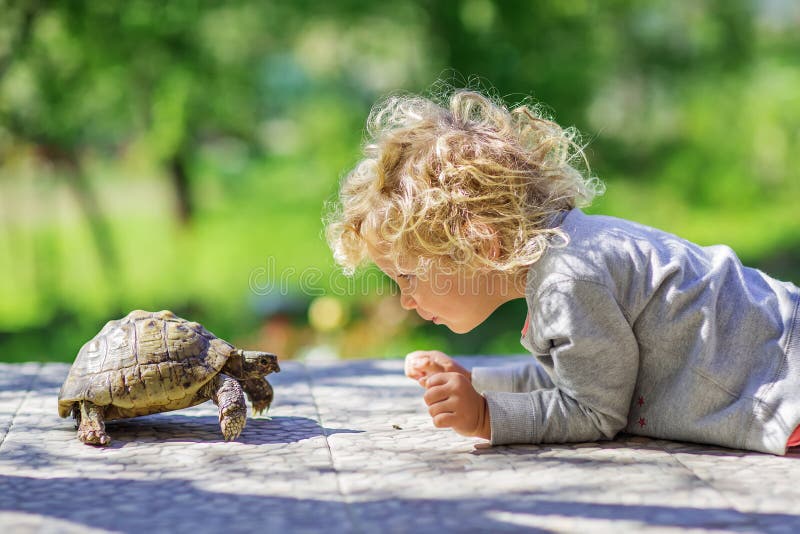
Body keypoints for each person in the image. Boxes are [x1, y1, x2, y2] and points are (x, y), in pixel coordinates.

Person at [325, 87, 800, 455]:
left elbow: (594, 412)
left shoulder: (568, 279)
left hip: (784, 385)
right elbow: (576, 379)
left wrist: (485, 416)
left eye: (407, 277)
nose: (404, 300)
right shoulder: (563, 259)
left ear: (478, 244)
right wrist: (475, 383)